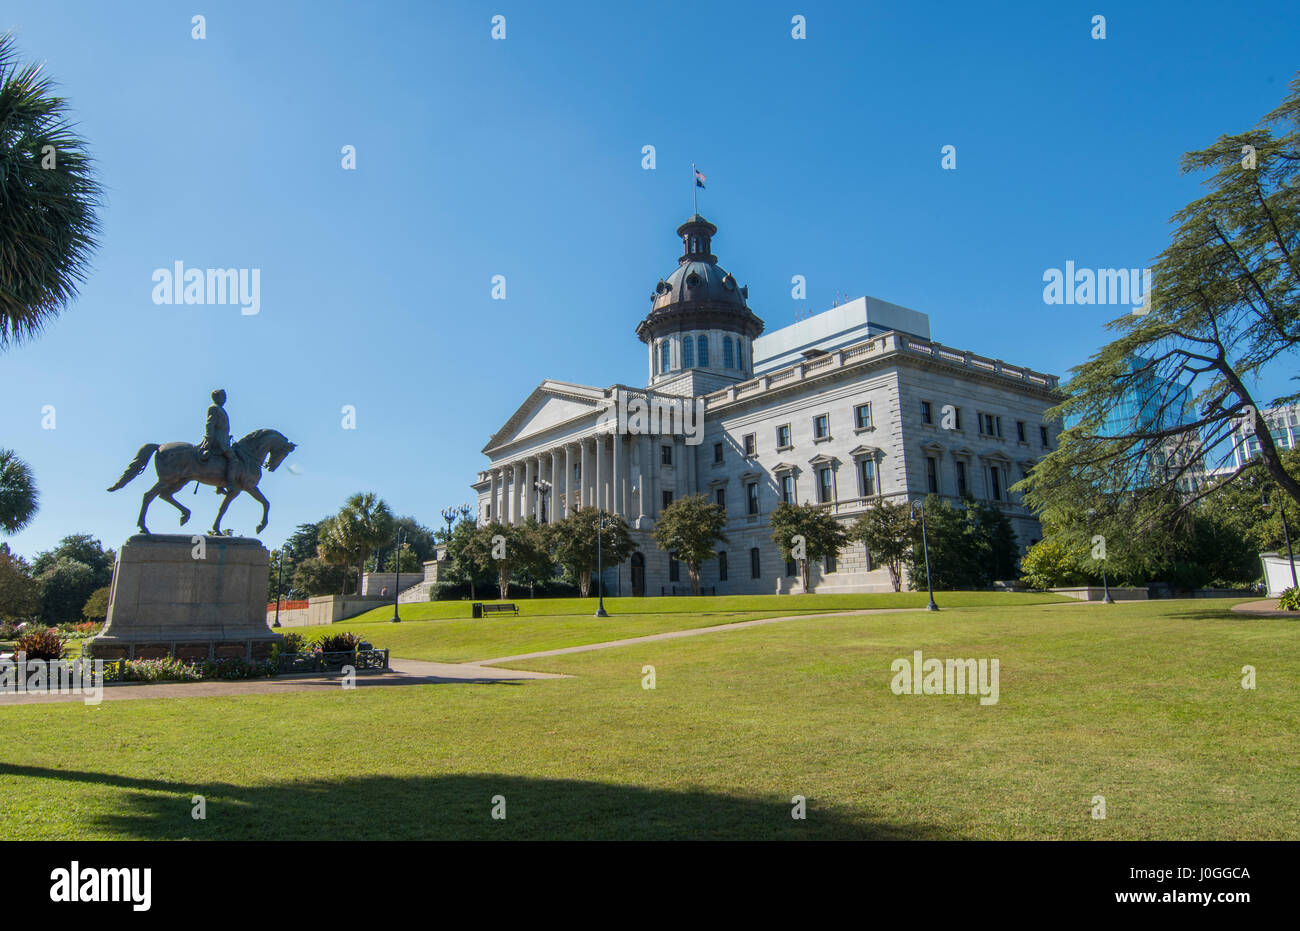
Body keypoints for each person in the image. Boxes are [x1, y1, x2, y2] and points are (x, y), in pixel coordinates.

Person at [198, 388, 237, 494]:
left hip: (223, 439)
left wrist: (226, 436)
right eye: (223, 396)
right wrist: (209, 439)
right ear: (217, 397)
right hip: (218, 441)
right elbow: (210, 425)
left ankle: (219, 485)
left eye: (225, 397)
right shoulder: (214, 408)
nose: (225, 399)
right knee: (233, 460)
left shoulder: (219, 408)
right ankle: (229, 483)